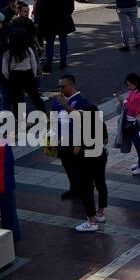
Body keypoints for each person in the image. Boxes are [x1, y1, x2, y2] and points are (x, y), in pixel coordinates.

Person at [51, 74, 108, 231]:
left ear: (71, 85)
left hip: (84, 156)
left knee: (87, 186)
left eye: (63, 86)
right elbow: (105, 140)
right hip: (96, 155)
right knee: (97, 182)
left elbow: (79, 142)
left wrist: (78, 147)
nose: (60, 89)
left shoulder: (82, 103)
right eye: (59, 87)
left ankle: (92, 220)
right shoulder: (97, 121)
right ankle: (100, 214)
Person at [35, 0, 75, 73]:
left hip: (51, 24)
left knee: (50, 44)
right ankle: (63, 62)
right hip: (64, 22)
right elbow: (71, 9)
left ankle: (48, 64)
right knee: (63, 42)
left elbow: (42, 13)